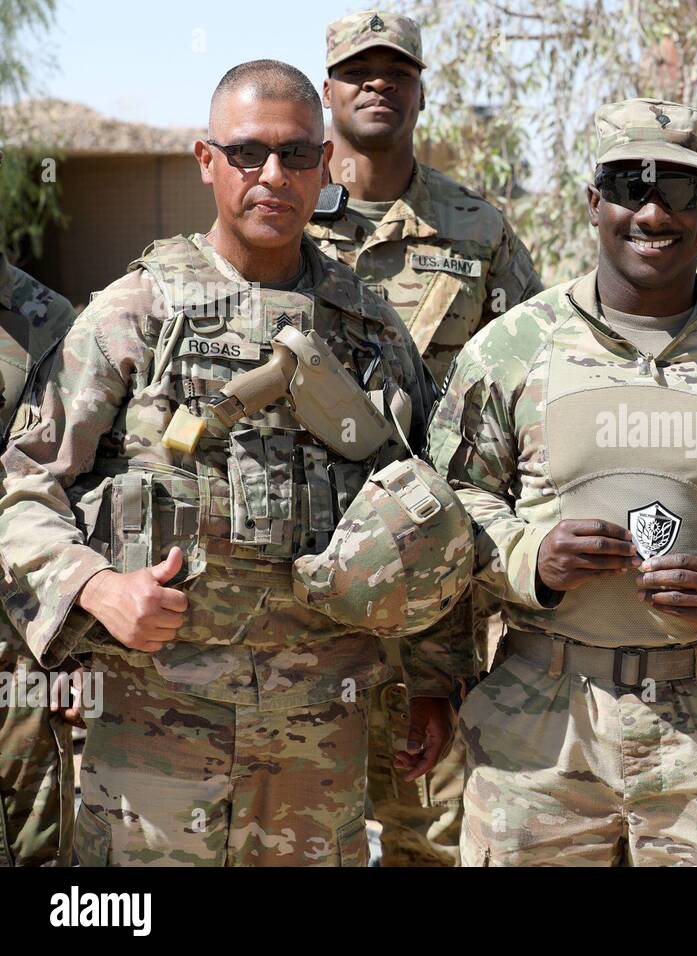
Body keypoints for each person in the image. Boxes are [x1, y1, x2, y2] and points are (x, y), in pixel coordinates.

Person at [0, 60, 459, 865]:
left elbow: (432, 511)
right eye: (247, 153)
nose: (272, 176)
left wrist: (432, 681)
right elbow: (22, 490)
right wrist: (97, 589)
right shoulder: (132, 316)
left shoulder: (369, 331)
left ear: (326, 167)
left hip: (321, 754)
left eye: (296, 155)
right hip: (153, 754)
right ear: (206, 161)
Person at [427, 98, 697, 865]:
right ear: (594, 200)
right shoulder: (513, 348)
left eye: (682, 192)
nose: (654, 212)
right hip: (540, 729)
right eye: (629, 185)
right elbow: (455, 501)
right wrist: (532, 558)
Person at [306, 8, 542, 868]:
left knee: (430, 823)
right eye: (358, 71)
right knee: (289, 812)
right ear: (327, 90)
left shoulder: (477, 230)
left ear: (418, 89)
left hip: (431, 569)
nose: (378, 85)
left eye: (395, 71)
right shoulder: (280, 211)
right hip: (298, 560)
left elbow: (532, 383)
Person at [0, 203, 78, 866]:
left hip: (15, 641)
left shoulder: (47, 320)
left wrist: (76, 655)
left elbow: (61, 485)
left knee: (32, 844)